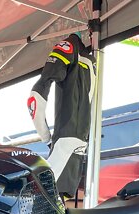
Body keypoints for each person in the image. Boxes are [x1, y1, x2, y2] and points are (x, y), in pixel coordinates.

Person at [27, 33, 94, 203]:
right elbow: (37, 93)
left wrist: (45, 137)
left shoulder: (78, 51)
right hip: (77, 139)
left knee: (44, 201)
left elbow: (36, 94)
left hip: (70, 140)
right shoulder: (86, 55)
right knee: (50, 201)